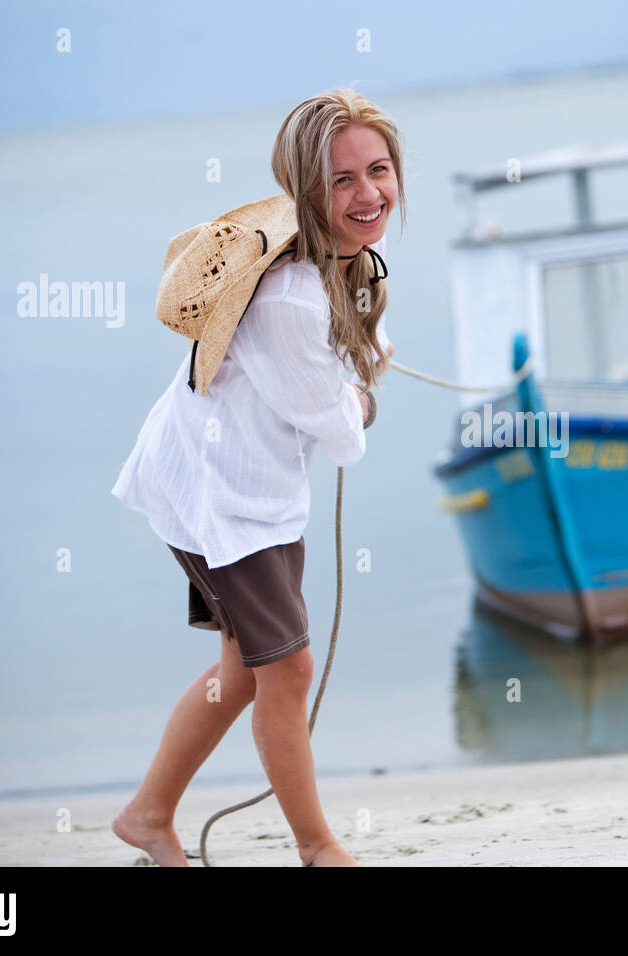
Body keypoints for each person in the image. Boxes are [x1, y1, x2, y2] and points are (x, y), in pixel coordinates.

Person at [109, 88, 404, 867]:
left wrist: (360, 356)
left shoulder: (337, 261)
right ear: (307, 193)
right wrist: (362, 397)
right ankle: (319, 848)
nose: (368, 193)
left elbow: (336, 365)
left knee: (247, 668)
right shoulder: (289, 297)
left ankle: (147, 814)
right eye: (342, 181)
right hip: (219, 497)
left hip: (244, 489)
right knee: (288, 667)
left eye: (379, 170)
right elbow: (343, 436)